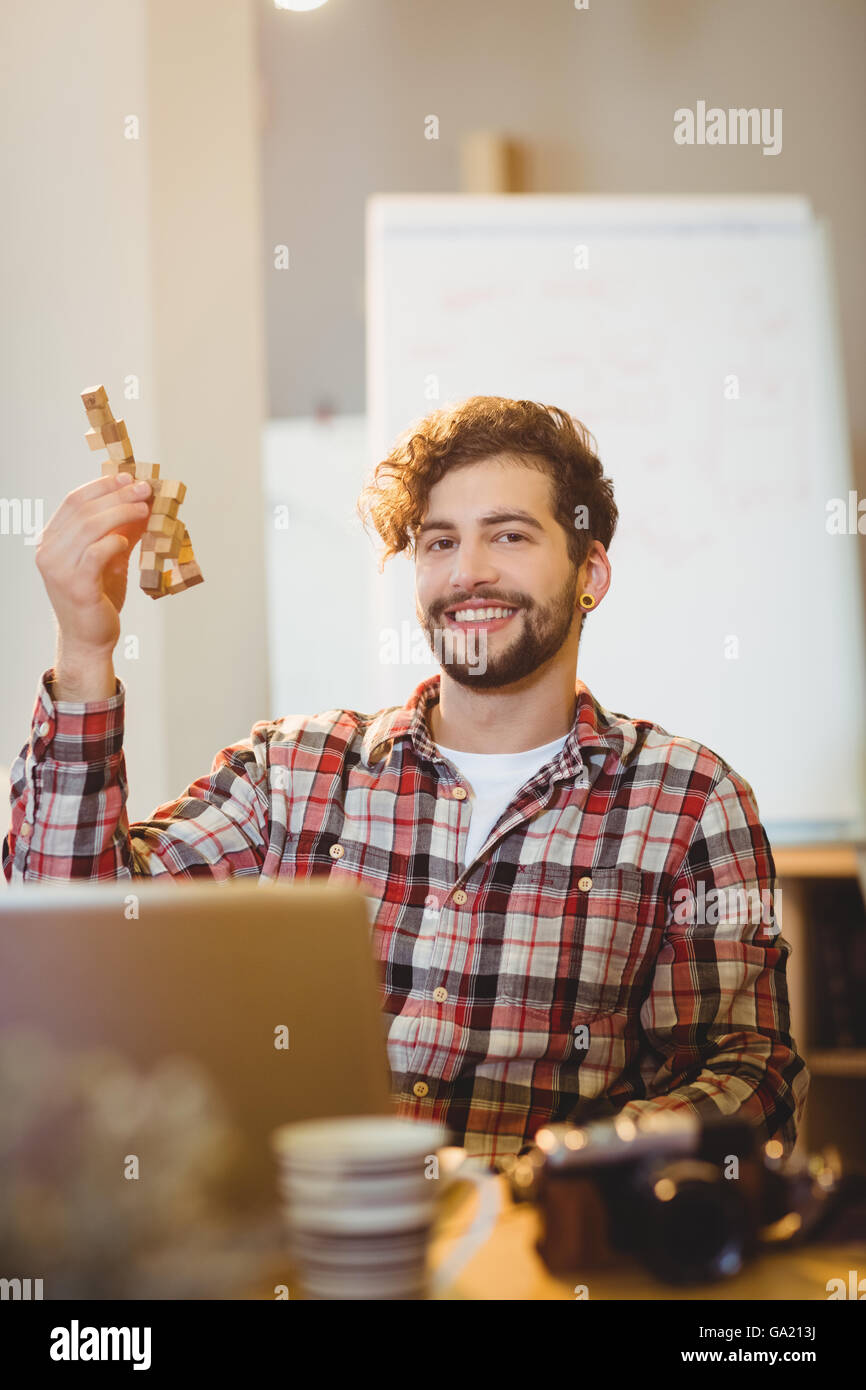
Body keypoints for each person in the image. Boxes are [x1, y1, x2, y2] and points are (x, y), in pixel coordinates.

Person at [3, 396, 809, 1164]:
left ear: (590, 573)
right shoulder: (292, 770)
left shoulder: (692, 801)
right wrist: (84, 645)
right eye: (439, 541)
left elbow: (747, 1075)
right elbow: (70, 925)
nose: (468, 574)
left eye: (511, 536)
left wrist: (567, 1173)